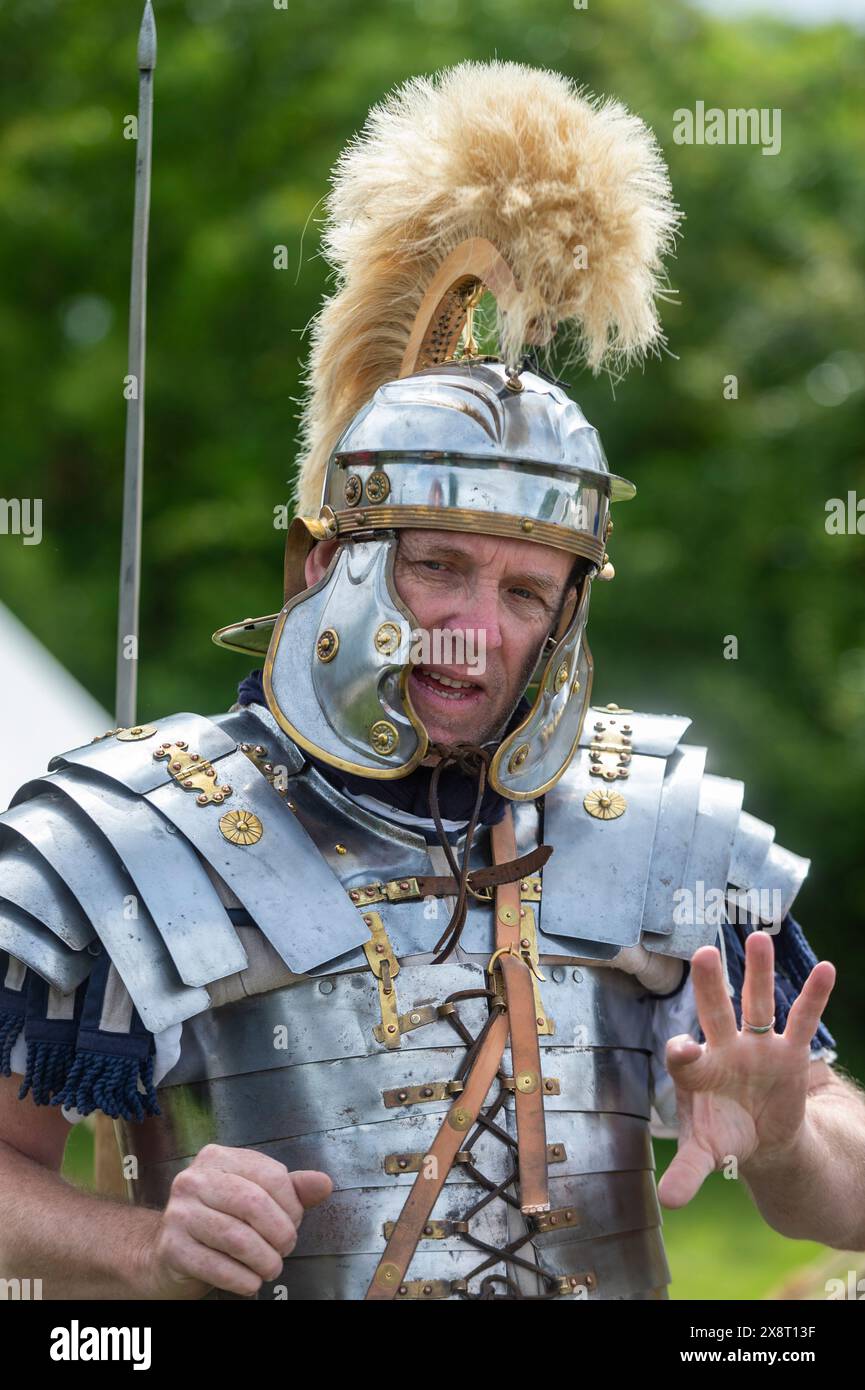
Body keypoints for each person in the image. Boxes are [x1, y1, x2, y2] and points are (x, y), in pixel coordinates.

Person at [0, 60, 862, 1303]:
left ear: (567, 616)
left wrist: (783, 1132)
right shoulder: (140, 832)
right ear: (323, 562)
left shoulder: (665, 827)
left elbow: (846, 1182)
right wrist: (140, 1249)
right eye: (436, 568)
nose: (474, 628)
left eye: (523, 594)